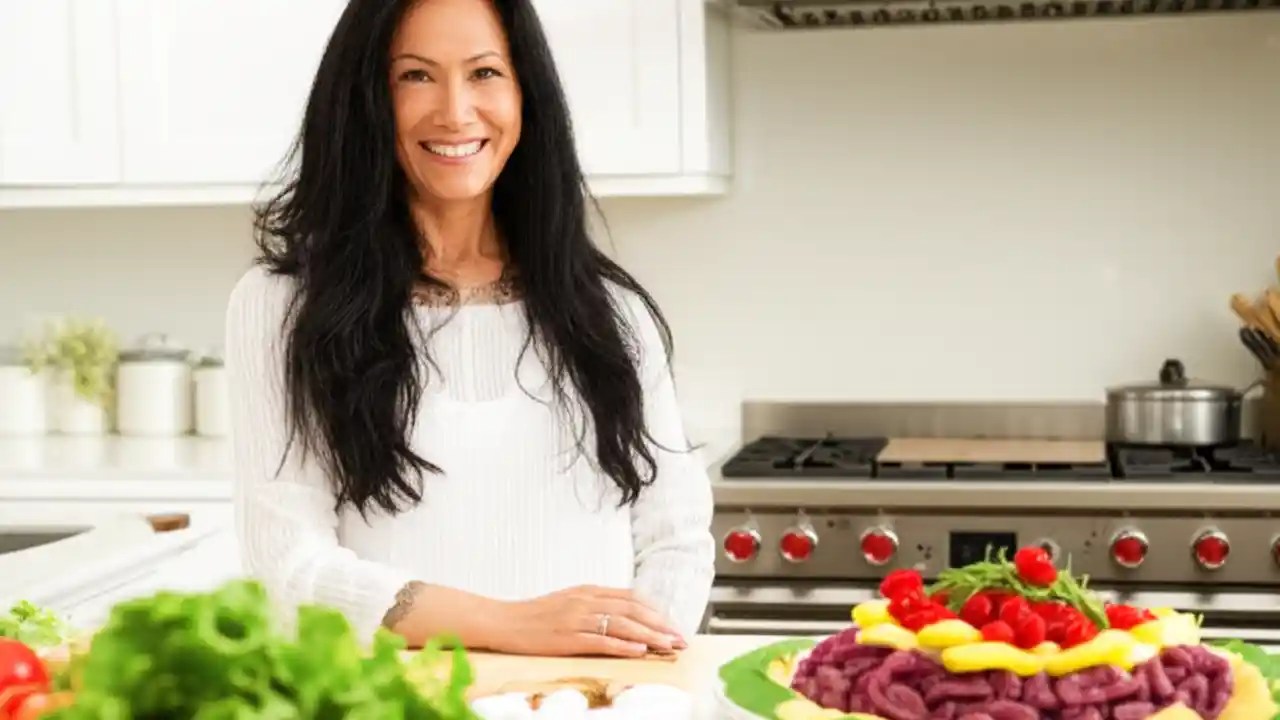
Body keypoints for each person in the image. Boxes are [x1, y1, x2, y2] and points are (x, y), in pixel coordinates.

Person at [224, 0, 715, 658]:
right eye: (415, 76)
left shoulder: (610, 310)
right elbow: (288, 570)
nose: (455, 111)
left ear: (525, 95)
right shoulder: (284, 304)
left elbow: (676, 537)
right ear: (363, 97)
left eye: (484, 73)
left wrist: (614, 680)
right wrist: (513, 627)